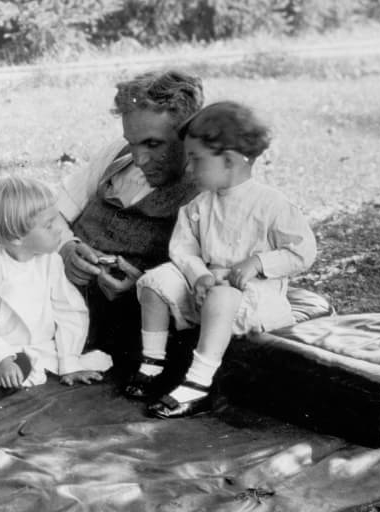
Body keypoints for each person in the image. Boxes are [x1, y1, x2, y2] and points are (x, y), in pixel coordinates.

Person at [131, 101, 317, 419]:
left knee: (222, 294)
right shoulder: (198, 205)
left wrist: (257, 262)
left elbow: (302, 252)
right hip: (205, 287)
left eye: (196, 160)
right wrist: (199, 275)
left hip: (252, 297)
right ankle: (152, 362)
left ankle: (198, 384)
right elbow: (183, 250)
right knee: (154, 280)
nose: (188, 169)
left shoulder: (271, 204)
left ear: (229, 160)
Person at [54, 69, 204, 381]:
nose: (139, 158)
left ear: (190, 135)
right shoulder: (116, 155)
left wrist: (141, 287)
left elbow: (208, 285)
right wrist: (66, 248)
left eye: (153, 144)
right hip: (49, 282)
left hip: (109, 325)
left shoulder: (207, 192)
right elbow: (52, 215)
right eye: (131, 142)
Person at [0, 177, 113, 424]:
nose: (59, 230)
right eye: (49, 225)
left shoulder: (50, 262)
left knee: (21, 366)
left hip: (27, 350)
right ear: (17, 237)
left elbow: (70, 311)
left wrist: (69, 360)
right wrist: (0, 358)